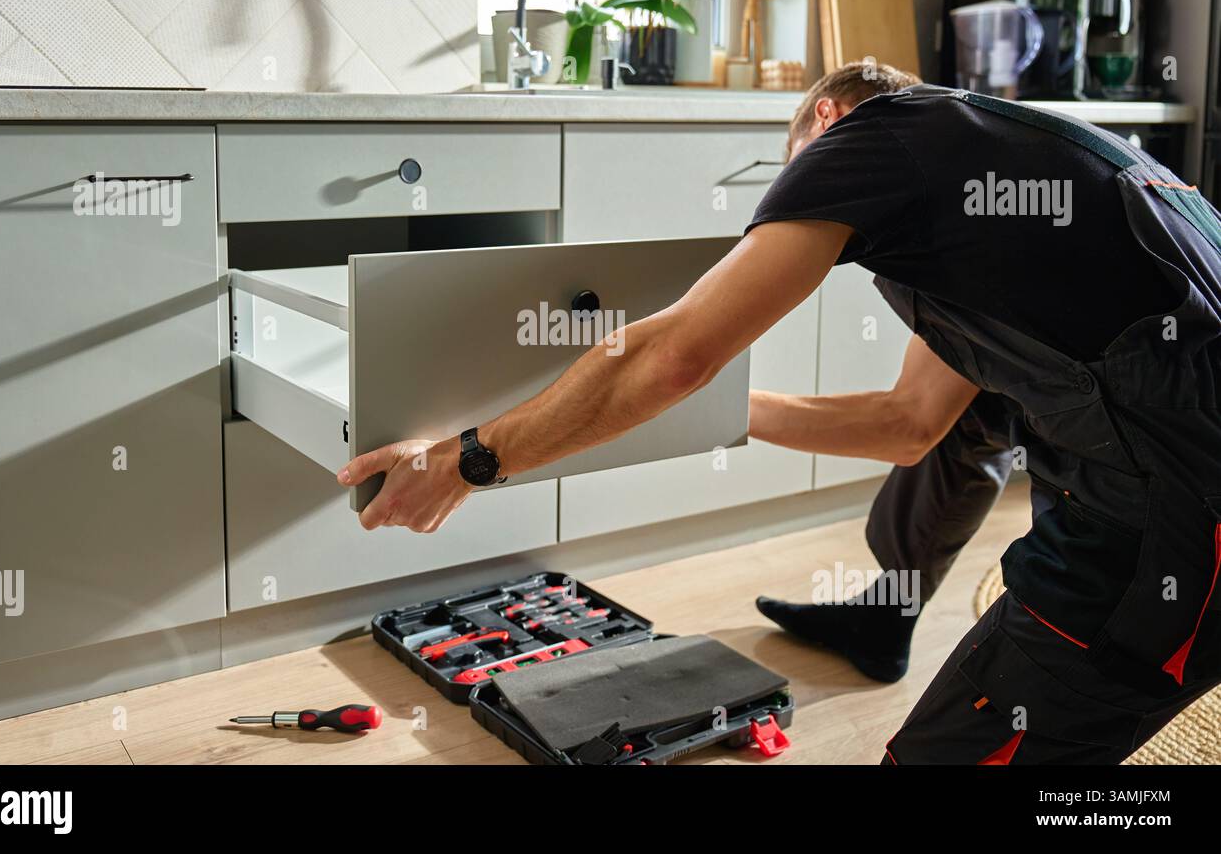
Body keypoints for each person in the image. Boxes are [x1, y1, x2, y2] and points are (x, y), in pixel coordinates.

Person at [337, 62, 1221, 764]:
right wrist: (720, 411)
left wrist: (468, 458)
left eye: (792, 164)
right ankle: (888, 611)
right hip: (1171, 449)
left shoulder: (873, 134)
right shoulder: (988, 168)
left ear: (826, 124)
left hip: (1175, 524)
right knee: (975, 415)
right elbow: (911, 422)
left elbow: (674, 353)